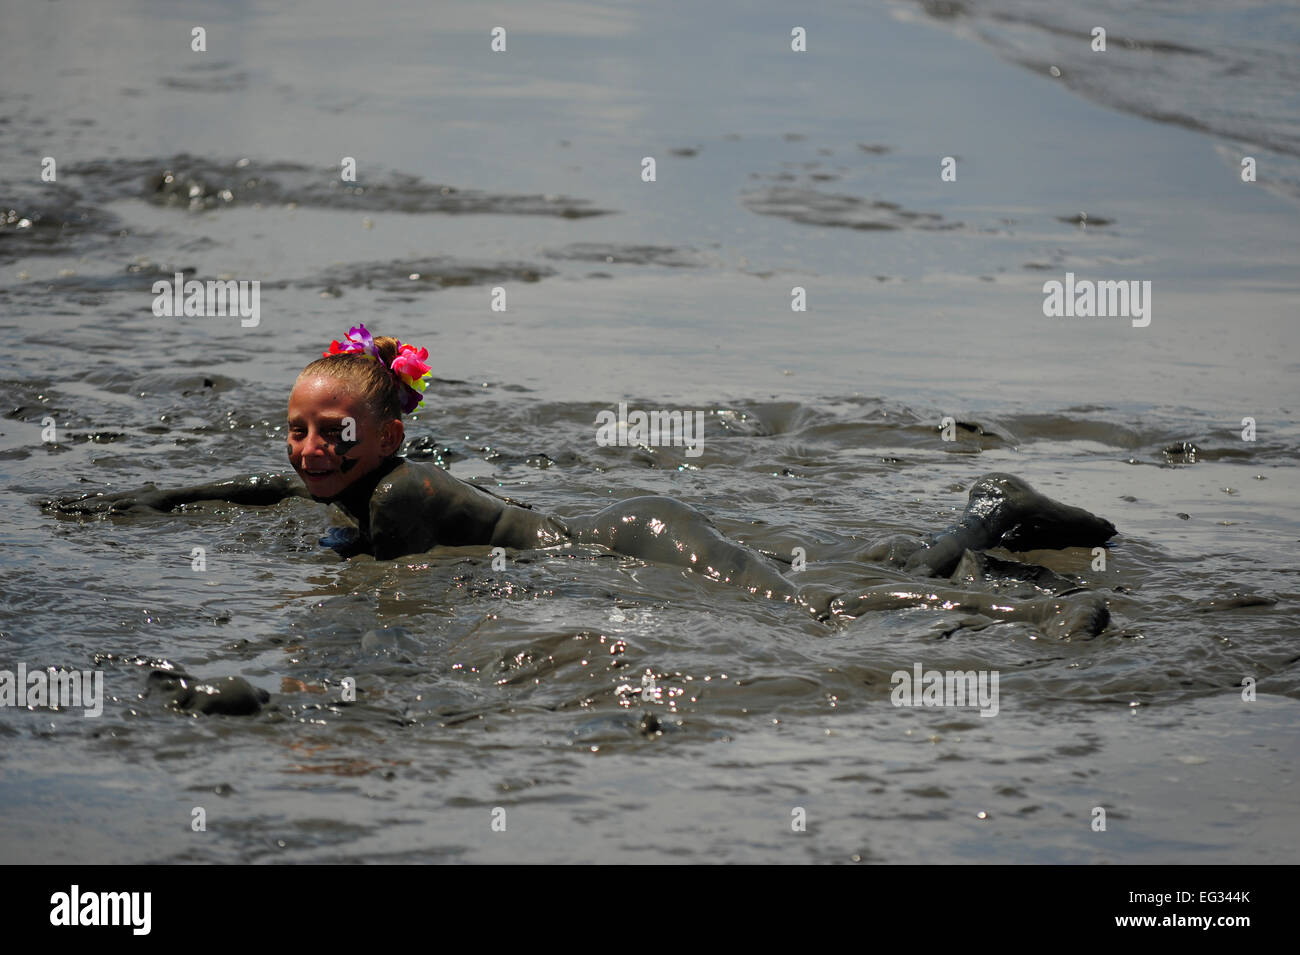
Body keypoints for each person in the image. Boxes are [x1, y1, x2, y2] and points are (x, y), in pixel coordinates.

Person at [46, 325, 1118, 636]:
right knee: (844, 569)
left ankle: (1007, 600)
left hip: (637, 539)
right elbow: (260, 492)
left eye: (332, 432)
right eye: (293, 431)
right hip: (625, 538)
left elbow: (359, 571)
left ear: (384, 437)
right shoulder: (352, 486)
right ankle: (988, 516)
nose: (306, 450)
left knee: (814, 611)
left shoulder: (403, 500)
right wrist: (140, 502)